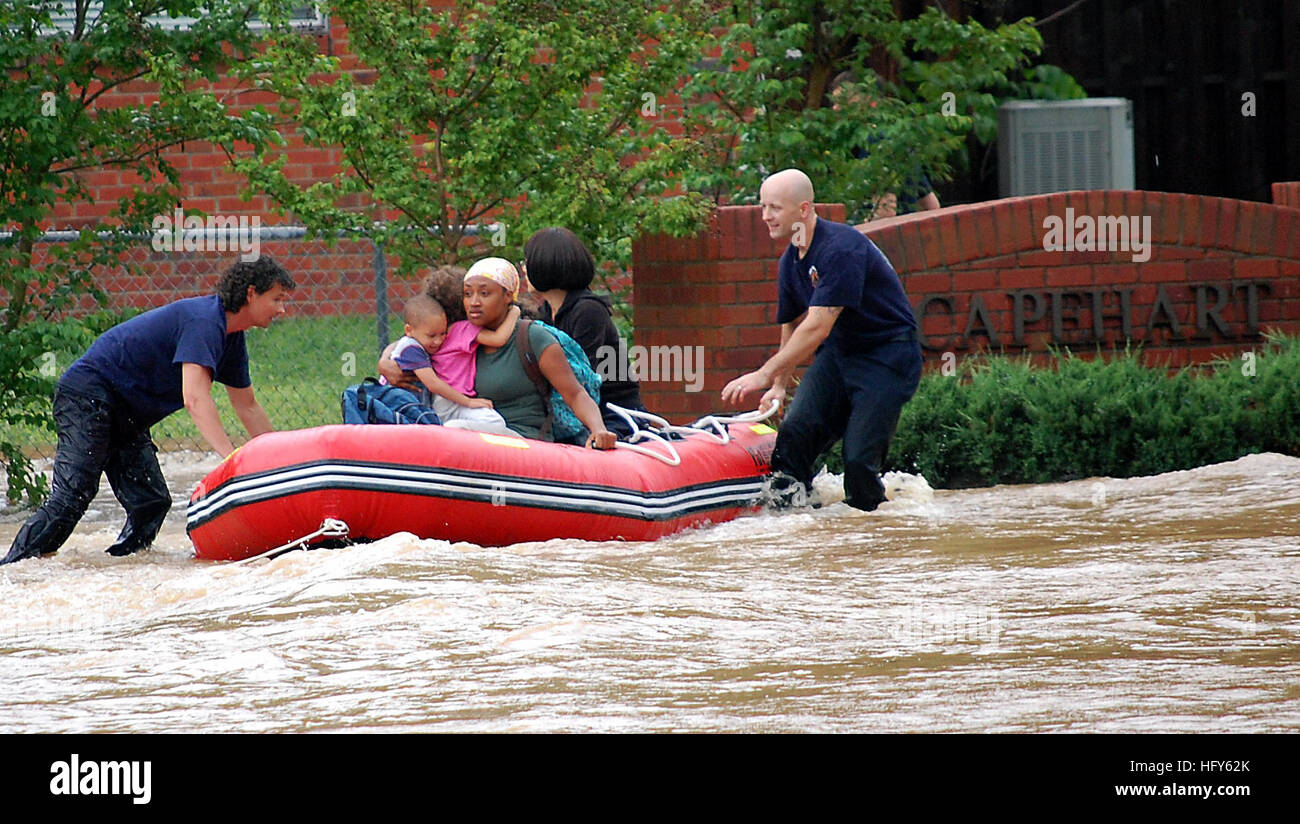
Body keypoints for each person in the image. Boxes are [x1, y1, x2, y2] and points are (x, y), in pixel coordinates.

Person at [2, 257, 294, 565]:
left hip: (127, 412)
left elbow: (247, 405)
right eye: (276, 299)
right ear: (251, 294)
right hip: (88, 394)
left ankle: (119, 567)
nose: (282, 309)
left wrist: (284, 460)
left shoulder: (232, 338)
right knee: (72, 495)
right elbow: (195, 398)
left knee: (151, 502)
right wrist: (232, 461)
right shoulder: (204, 321)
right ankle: (15, 568)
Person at [721, 169, 921, 511]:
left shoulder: (841, 247)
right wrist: (780, 386)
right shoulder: (790, 261)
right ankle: (797, 531)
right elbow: (792, 323)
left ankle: (873, 540)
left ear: (803, 209)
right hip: (838, 356)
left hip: (886, 357)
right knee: (793, 439)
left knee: (857, 462)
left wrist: (764, 374)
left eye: (774, 208)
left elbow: (817, 326)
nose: (765, 216)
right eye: (762, 207)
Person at [380, 258, 616, 449]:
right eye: (467, 294)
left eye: (484, 294)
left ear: (507, 296)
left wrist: (598, 429)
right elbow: (411, 343)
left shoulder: (532, 337)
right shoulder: (454, 338)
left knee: (453, 432)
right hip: (468, 440)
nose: (474, 302)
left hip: (522, 442)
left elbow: (574, 393)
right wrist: (385, 361)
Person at [522, 227, 649, 438]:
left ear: (545, 264)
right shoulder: (543, 315)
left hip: (613, 413)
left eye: (527, 261)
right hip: (567, 414)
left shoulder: (587, 311)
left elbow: (582, 376)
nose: (524, 269)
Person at [383, 292, 519, 435]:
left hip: (419, 408)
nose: (439, 341)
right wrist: (468, 402)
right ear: (409, 330)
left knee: (494, 422)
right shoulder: (412, 347)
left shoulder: (419, 341)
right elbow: (433, 384)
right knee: (493, 423)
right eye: (432, 336)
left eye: (443, 334)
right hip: (401, 407)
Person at [828, 71, 941, 221]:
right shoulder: (897, 138)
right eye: (834, 102)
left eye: (844, 101)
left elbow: (884, 213)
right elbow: (931, 205)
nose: (835, 108)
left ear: (869, 99)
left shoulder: (874, 139)